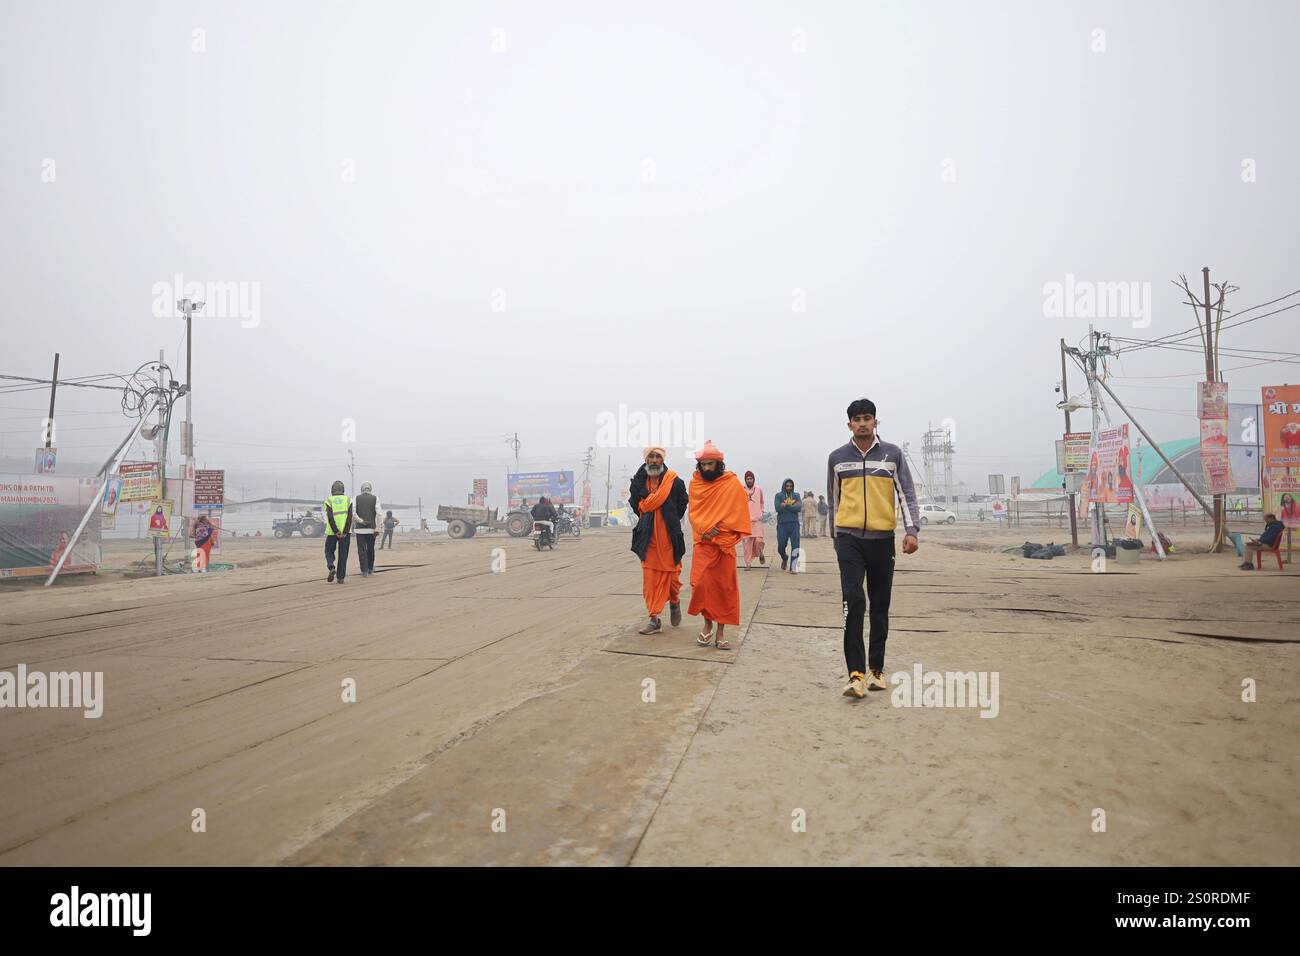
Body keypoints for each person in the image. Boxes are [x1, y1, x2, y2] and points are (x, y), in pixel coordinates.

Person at [828, 398, 920, 699]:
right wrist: (836, 538)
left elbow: (906, 492)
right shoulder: (837, 458)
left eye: (867, 418)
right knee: (853, 601)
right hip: (849, 541)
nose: (862, 423)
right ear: (849, 424)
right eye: (857, 419)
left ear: (876, 422)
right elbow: (835, 500)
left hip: (883, 541)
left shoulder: (892, 455)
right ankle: (855, 674)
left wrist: (911, 530)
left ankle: (876, 669)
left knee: (880, 606)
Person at [687, 441, 751, 650]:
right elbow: (694, 513)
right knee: (701, 585)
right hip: (703, 543)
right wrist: (705, 529)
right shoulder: (695, 483)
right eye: (703, 465)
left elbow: (739, 510)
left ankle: (720, 633)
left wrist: (723, 528)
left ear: (718, 464)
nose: (706, 469)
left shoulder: (731, 483)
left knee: (724, 589)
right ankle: (707, 625)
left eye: (710, 465)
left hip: (724, 544)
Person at [629, 445, 688, 635]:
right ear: (646, 459)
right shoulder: (638, 483)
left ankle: (675, 601)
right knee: (650, 580)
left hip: (669, 538)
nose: (654, 460)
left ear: (663, 460)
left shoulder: (674, 481)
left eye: (658, 457)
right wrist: (647, 512)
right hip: (648, 538)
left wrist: (668, 517)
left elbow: (682, 503)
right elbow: (634, 503)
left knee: (672, 578)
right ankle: (654, 619)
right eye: (651, 457)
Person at [323, 479, 353, 583]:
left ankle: (331, 567)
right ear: (343, 489)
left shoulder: (329, 500)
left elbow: (330, 517)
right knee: (343, 554)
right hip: (345, 533)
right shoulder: (348, 500)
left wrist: (336, 531)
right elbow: (350, 517)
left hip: (332, 533)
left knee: (329, 551)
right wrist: (344, 531)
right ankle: (340, 578)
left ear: (332, 490)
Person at [353, 481, 382, 577]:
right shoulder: (375, 498)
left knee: (361, 550)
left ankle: (364, 571)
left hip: (359, 530)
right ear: (370, 489)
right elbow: (379, 514)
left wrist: (361, 521)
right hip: (371, 529)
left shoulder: (356, 498)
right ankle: (370, 568)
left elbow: (353, 514)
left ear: (361, 489)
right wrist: (377, 527)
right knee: (370, 549)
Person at [775, 478, 801, 572]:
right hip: (782, 524)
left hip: (794, 523)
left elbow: (798, 508)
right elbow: (778, 508)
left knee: (795, 545)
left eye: (790, 486)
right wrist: (792, 506)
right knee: (781, 546)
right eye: (787, 486)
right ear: (784, 486)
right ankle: (785, 558)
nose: (789, 487)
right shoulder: (778, 496)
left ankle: (793, 567)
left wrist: (786, 505)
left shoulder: (796, 495)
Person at [741, 471, 766, 568]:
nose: (749, 480)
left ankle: (760, 553)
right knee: (747, 543)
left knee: (758, 540)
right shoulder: (741, 490)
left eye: (751, 478)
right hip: (745, 521)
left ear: (753, 479)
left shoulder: (759, 489)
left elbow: (762, 502)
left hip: (757, 520)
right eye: (747, 479)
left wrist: (761, 512)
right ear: (745, 480)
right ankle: (748, 563)